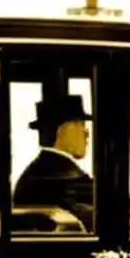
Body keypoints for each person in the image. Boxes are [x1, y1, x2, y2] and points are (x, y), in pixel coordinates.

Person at [13, 94, 94, 230]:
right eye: (80, 123)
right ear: (61, 130)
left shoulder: (37, 171)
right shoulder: (60, 178)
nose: (86, 132)